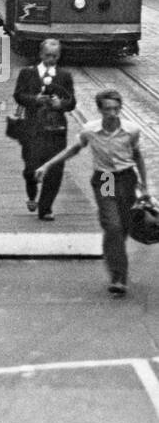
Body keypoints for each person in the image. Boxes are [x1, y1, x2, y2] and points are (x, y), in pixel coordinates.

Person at [36, 89, 147, 297]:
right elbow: (72, 150)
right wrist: (47, 165)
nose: (112, 113)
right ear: (100, 110)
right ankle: (118, 278)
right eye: (107, 109)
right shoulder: (90, 130)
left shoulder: (131, 130)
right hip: (105, 179)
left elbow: (138, 156)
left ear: (120, 108)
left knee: (121, 228)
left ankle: (114, 260)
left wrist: (145, 187)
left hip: (126, 179)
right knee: (112, 225)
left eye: (116, 109)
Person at [13, 39, 75, 220]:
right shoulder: (27, 73)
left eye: (55, 56)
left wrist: (60, 103)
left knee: (55, 170)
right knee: (31, 168)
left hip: (57, 130)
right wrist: (35, 99)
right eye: (48, 55)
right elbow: (18, 95)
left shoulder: (64, 75)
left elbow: (72, 102)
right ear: (41, 55)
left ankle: (45, 208)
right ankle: (32, 194)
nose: (51, 59)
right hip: (32, 129)